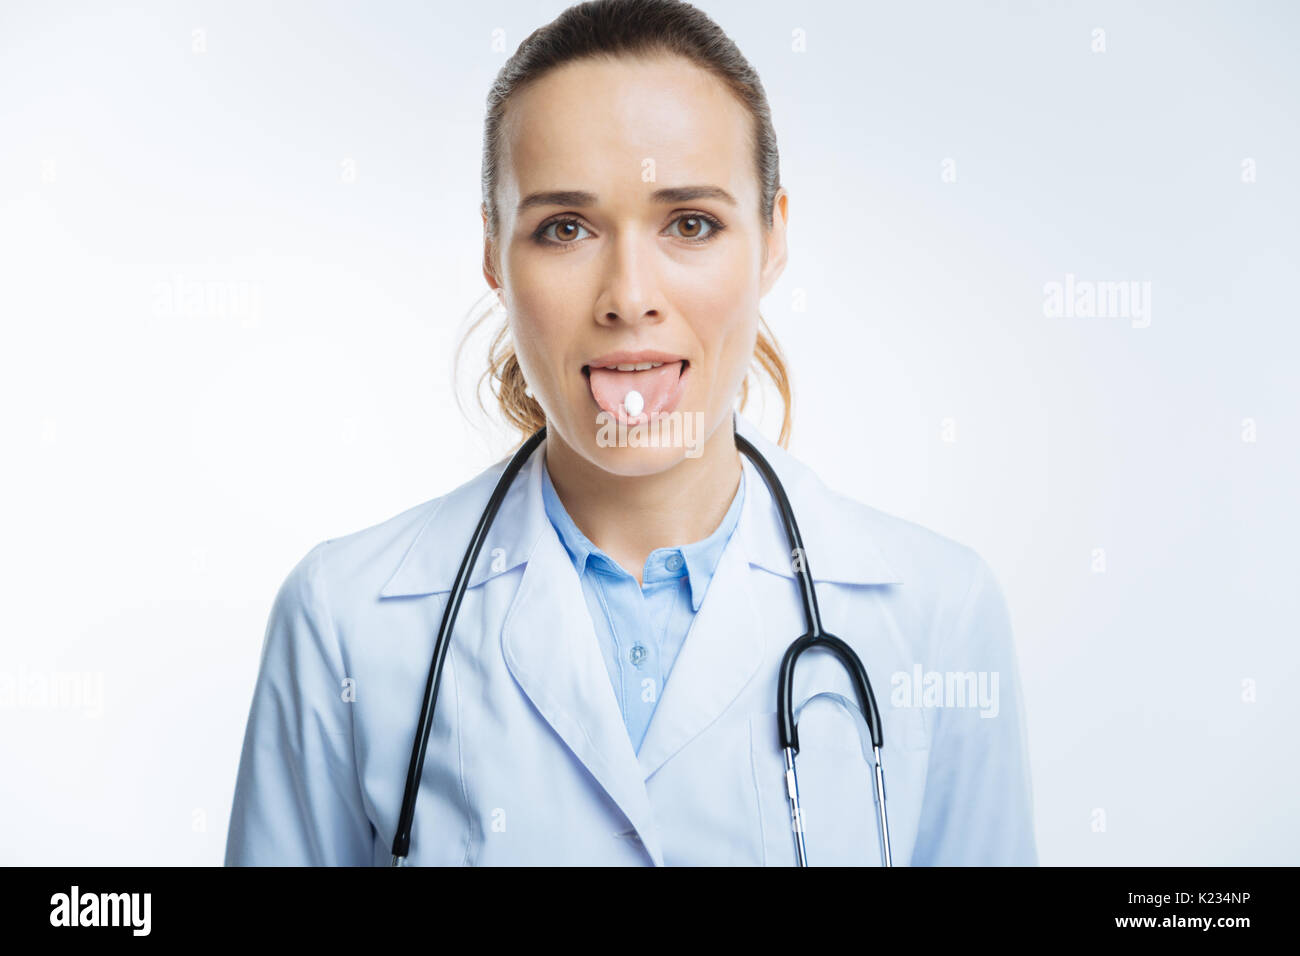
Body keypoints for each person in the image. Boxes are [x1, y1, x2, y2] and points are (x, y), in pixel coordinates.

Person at [223, 0, 1037, 866]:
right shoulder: (342, 620)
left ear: (772, 239)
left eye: (691, 223)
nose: (628, 295)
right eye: (565, 228)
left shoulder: (939, 615)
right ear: (494, 252)